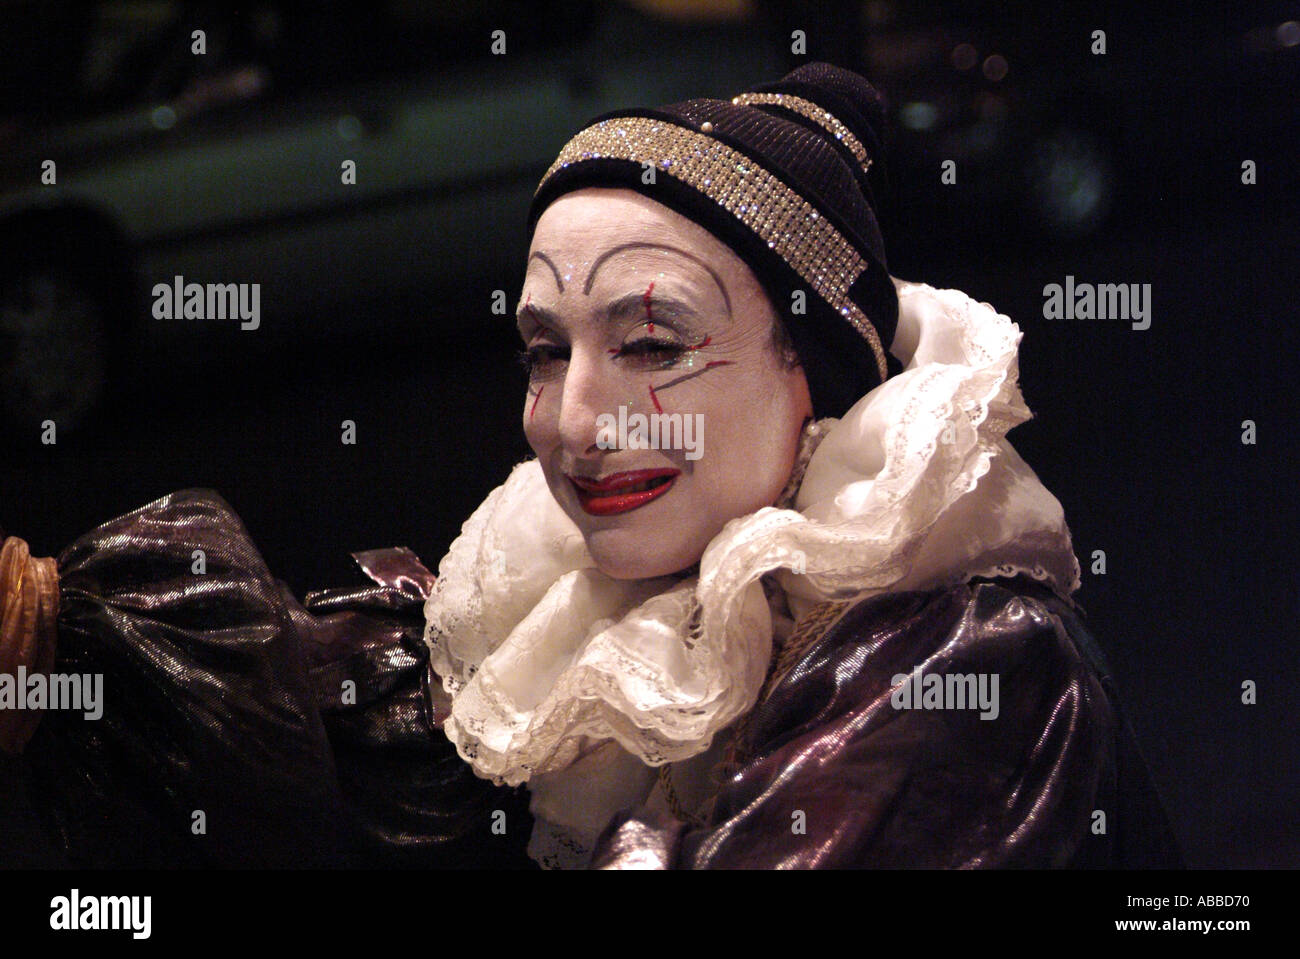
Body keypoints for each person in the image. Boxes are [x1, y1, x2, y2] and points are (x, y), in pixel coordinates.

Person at [0, 63, 1180, 869]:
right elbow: (340, 721)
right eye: (543, 350)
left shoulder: (964, 667)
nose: (573, 422)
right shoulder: (570, 615)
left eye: (652, 344)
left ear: (808, 371)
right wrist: (60, 633)